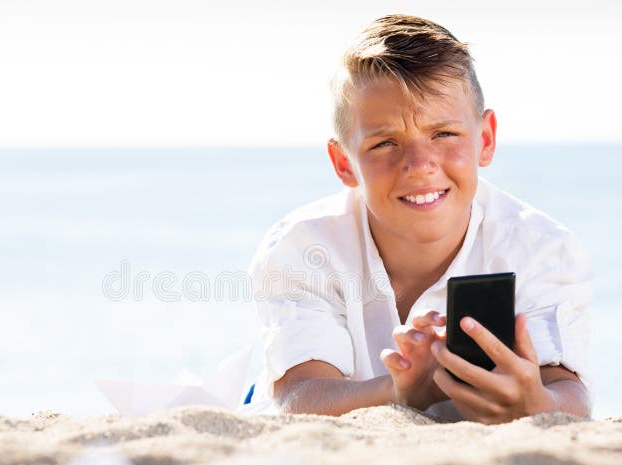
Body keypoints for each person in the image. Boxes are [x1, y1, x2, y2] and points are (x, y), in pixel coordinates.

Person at [244, 14, 592, 424]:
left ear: (485, 139)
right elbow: (297, 397)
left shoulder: (540, 247)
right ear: (344, 163)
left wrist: (537, 403)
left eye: (444, 134)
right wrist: (399, 391)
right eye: (385, 142)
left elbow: (570, 395)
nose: (420, 165)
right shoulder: (303, 247)